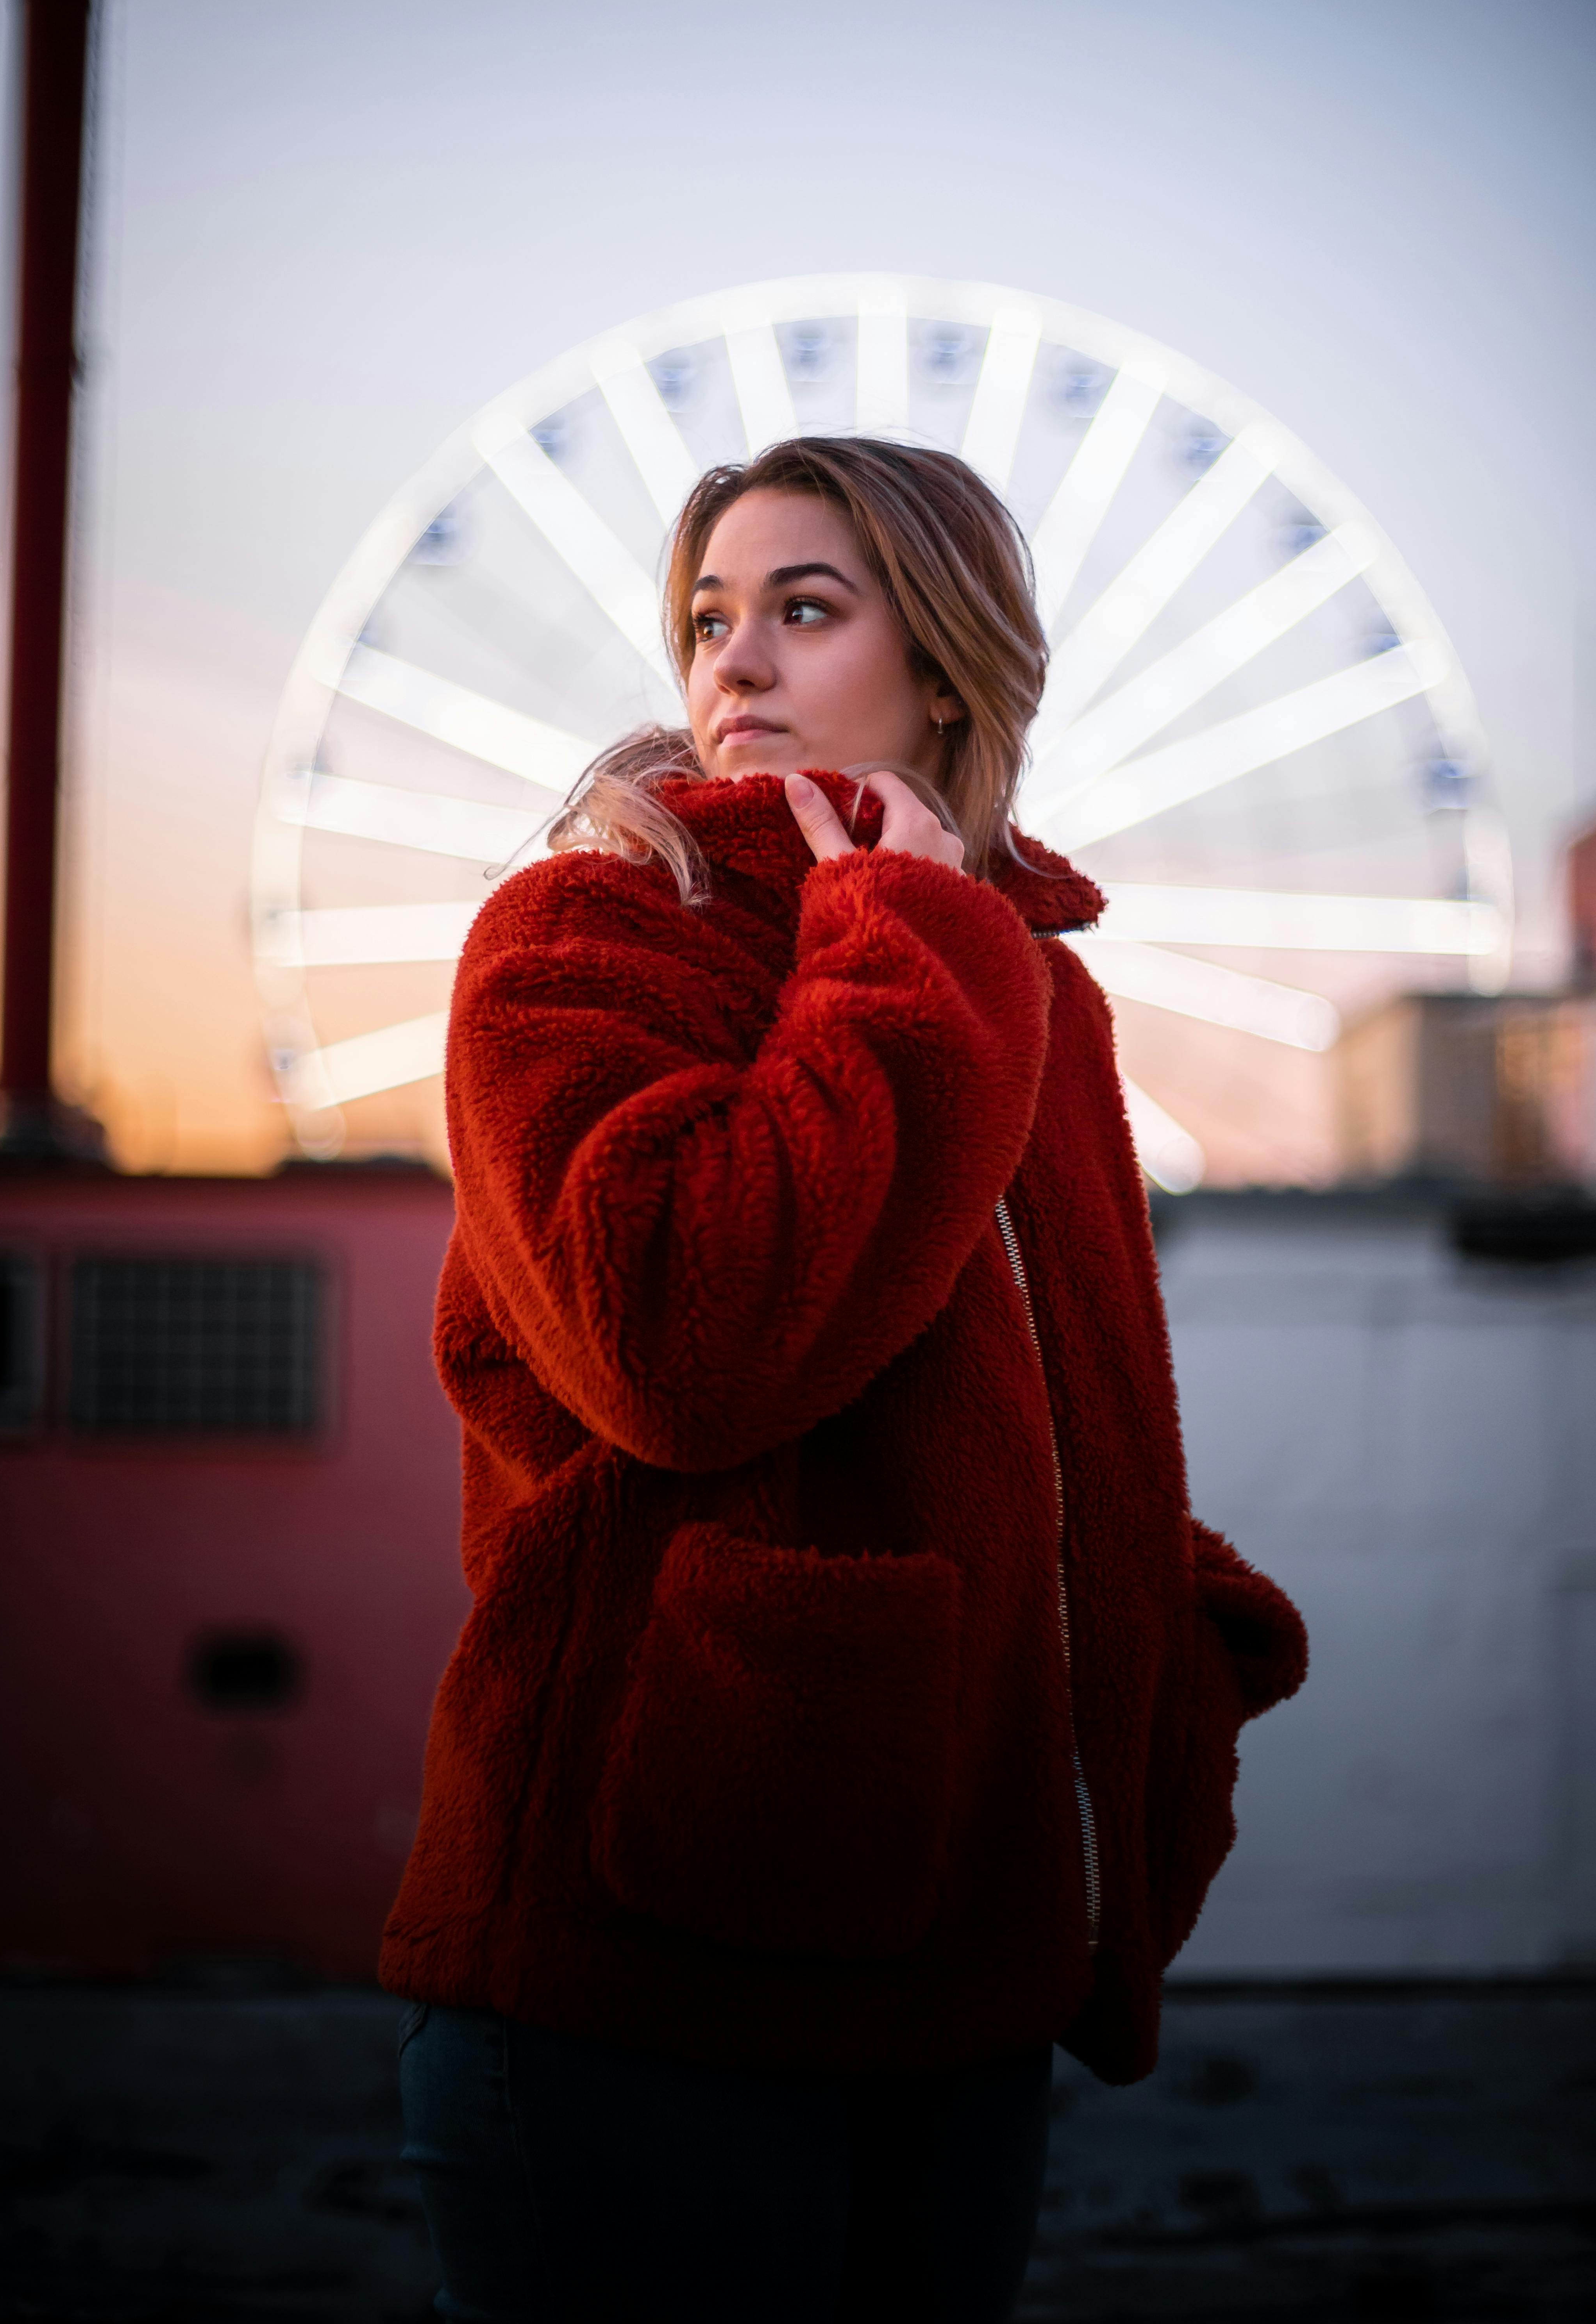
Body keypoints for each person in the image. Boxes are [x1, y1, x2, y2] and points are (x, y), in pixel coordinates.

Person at [383, 436, 1307, 2323]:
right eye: (710, 617)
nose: (730, 663)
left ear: (947, 662)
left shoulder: (1030, 991)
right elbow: (683, 1349)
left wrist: (1159, 1624)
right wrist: (894, 949)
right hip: (646, 1966)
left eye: (804, 610)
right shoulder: (584, 934)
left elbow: (1059, 1394)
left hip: (968, 1958)